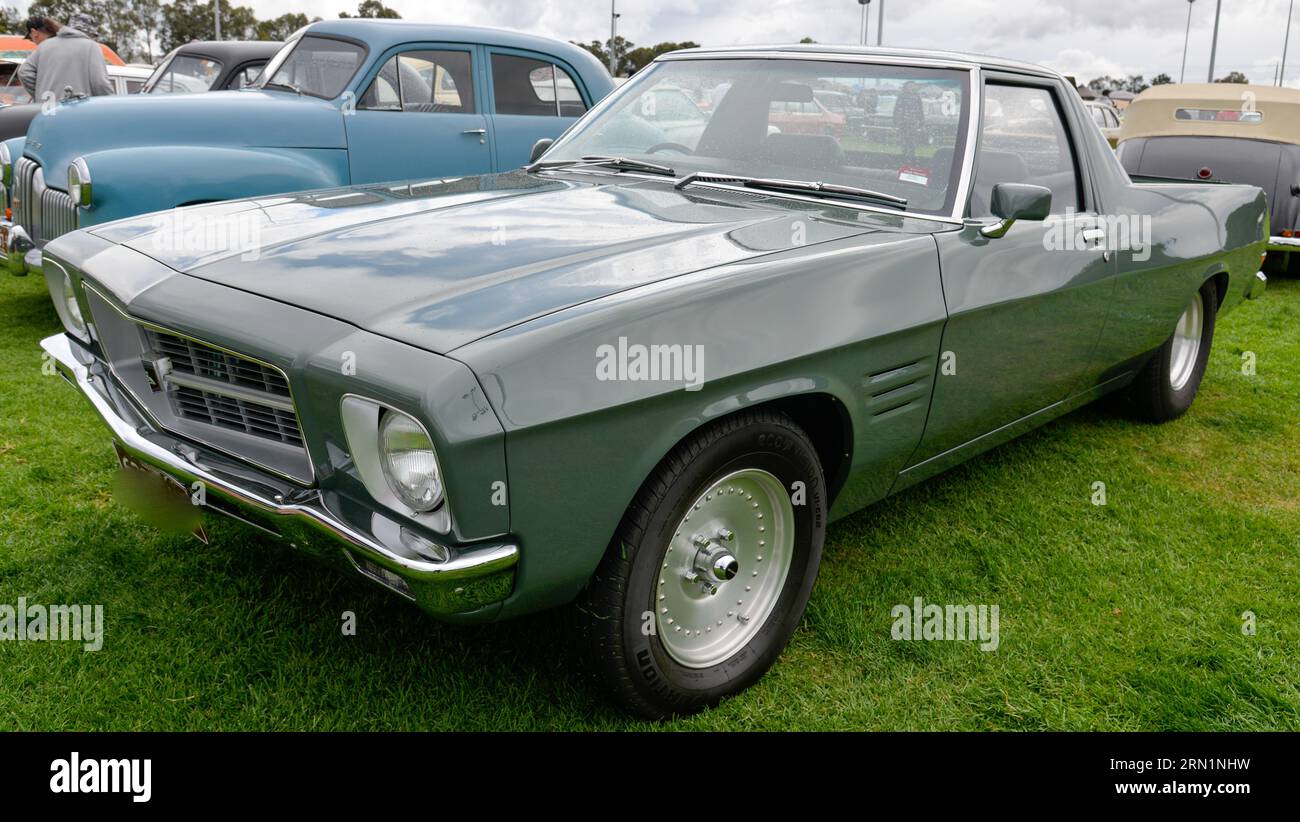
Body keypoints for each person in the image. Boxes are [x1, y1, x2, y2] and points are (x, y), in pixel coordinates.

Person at [18, 16, 113, 105]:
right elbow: (100, 83)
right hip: (78, 113)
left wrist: (41, 94)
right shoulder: (91, 46)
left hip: (47, 112)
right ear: (91, 32)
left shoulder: (44, 45)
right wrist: (112, 104)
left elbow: (24, 72)